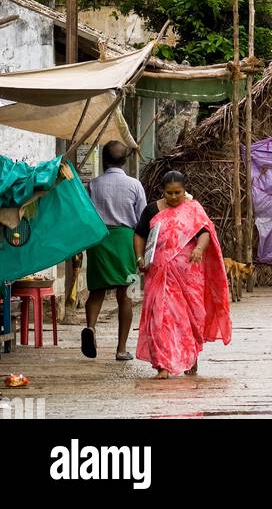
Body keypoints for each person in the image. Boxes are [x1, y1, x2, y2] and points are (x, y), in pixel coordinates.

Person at [133, 171, 231, 379]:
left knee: (190, 319)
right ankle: (163, 365)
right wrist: (140, 258)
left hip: (189, 275)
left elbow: (204, 233)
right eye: (169, 193)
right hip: (160, 272)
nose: (174, 197)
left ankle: (190, 355)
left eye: (178, 192)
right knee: (160, 318)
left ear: (185, 190)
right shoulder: (152, 210)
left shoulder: (193, 209)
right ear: (163, 191)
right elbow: (140, 234)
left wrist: (199, 249)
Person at [81, 141, 147, 362]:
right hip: (126, 242)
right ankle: (121, 349)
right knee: (126, 296)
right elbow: (142, 220)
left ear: (103, 161)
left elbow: (86, 215)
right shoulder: (135, 185)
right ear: (125, 160)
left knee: (96, 291)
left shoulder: (93, 185)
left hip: (99, 241)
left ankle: (90, 327)